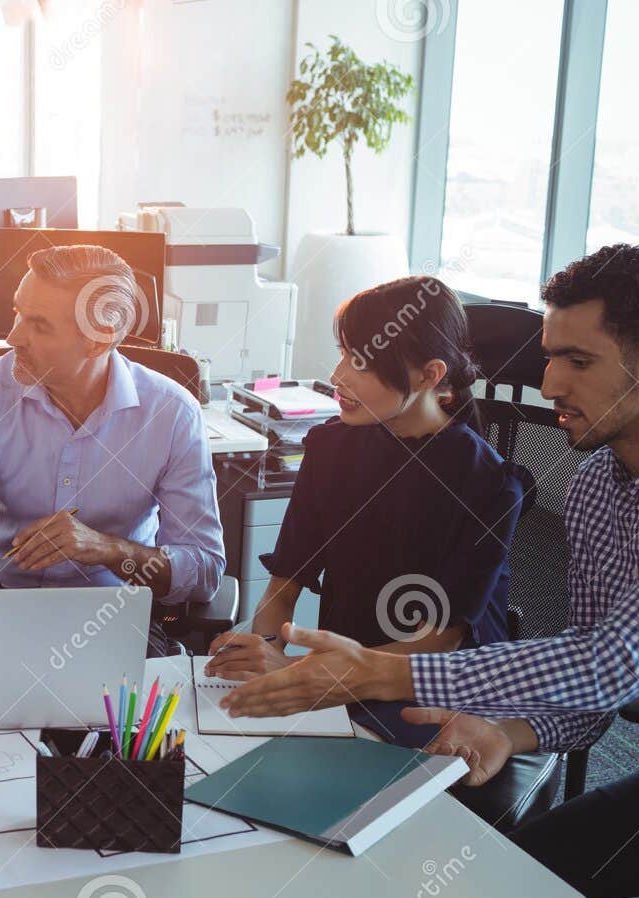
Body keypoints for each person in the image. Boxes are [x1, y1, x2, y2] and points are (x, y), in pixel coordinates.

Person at [223, 245, 639, 898]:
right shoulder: (597, 488)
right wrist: (509, 731)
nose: (549, 382)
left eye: (578, 360)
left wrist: (381, 672)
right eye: (550, 356)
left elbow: (615, 663)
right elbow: (589, 684)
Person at [204, 277, 526, 745]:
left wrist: (304, 675)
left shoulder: (488, 483)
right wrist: (267, 651)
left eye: (362, 362)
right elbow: (284, 586)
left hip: (435, 690)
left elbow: (442, 639)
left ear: (429, 375)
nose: (338, 376)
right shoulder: (331, 449)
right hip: (339, 678)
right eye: (343, 353)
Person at [0, 244, 225, 652]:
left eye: (39, 325)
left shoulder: (171, 413)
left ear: (98, 341)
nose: (13, 337)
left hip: (112, 611)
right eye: (17, 312)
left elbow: (204, 568)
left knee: (123, 697)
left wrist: (106, 549)